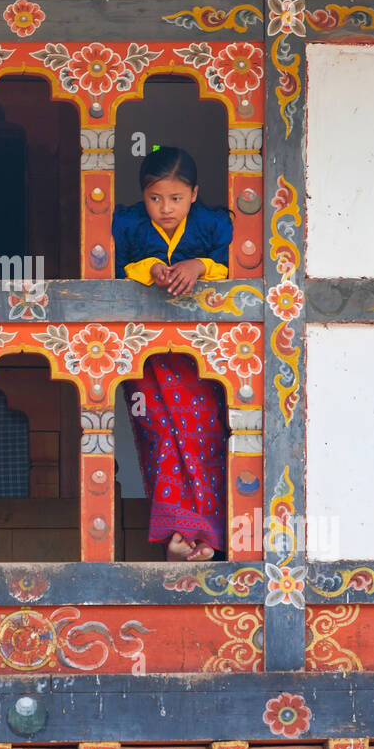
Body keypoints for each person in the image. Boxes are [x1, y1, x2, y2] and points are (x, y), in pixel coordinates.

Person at [112, 146, 232, 563]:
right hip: (146, 354)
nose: (165, 209)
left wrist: (199, 266)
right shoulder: (126, 222)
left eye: (176, 199)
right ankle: (178, 535)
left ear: (194, 194)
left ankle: (209, 537)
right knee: (160, 438)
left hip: (201, 355)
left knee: (204, 439)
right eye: (155, 198)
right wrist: (148, 270)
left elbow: (239, 264)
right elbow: (110, 263)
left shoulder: (215, 224)